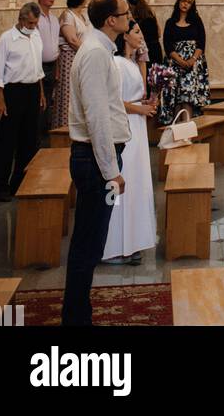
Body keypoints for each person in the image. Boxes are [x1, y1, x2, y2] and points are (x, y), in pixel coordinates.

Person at [62, 0, 130, 326]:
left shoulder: (100, 50)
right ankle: (75, 319)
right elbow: (97, 117)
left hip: (97, 158)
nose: (130, 17)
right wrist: (111, 171)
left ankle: (78, 314)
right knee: (88, 243)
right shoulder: (93, 54)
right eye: (125, 12)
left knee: (90, 241)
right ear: (111, 20)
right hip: (93, 159)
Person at [102, 20, 157, 265]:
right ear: (124, 37)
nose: (141, 36)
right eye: (136, 32)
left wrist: (147, 105)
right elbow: (113, 100)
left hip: (137, 125)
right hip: (125, 126)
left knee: (135, 182)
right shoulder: (116, 63)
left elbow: (135, 95)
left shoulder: (132, 63)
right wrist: (139, 109)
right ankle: (112, 246)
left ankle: (132, 241)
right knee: (120, 185)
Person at [0, 1, 45, 202]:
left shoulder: (36, 35)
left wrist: (40, 93)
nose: (32, 27)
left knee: (29, 140)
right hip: (12, 92)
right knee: (7, 141)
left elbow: (37, 68)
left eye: (35, 23)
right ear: (21, 20)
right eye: (29, 23)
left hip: (32, 90)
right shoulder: (7, 39)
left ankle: (20, 182)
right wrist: (0, 100)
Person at [157, 0, 210, 124]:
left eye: (188, 2)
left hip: (192, 65)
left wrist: (192, 60)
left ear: (192, 5)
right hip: (174, 63)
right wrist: (179, 60)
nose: (185, 4)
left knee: (188, 98)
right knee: (175, 99)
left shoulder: (196, 21)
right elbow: (167, 44)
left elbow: (201, 43)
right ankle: (176, 134)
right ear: (178, 3)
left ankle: (187, 134)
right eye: (183, 1)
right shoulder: (170, 22)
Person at [52, 0, 89, 129]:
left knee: (79, 94)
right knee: (68, 94)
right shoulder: (68, 15)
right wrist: (88, 52)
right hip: (69, 58)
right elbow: (72, 40)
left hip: (80, 57)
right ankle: (63, 128)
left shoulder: (82, 15)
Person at [36, 0, 60, 132]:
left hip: (52, 66)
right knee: (38, 101)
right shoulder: (34, 16)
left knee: (48, 101)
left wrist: (57, 69)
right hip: (38, 65)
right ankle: (35, 138)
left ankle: (44, 135)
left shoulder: (54, 18)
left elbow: (56, 45)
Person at [126, 0, 163, 65]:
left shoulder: (137, 21)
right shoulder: (151, 16)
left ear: (131, 6)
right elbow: (159, 34)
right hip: (156, 49)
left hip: (146, 52)